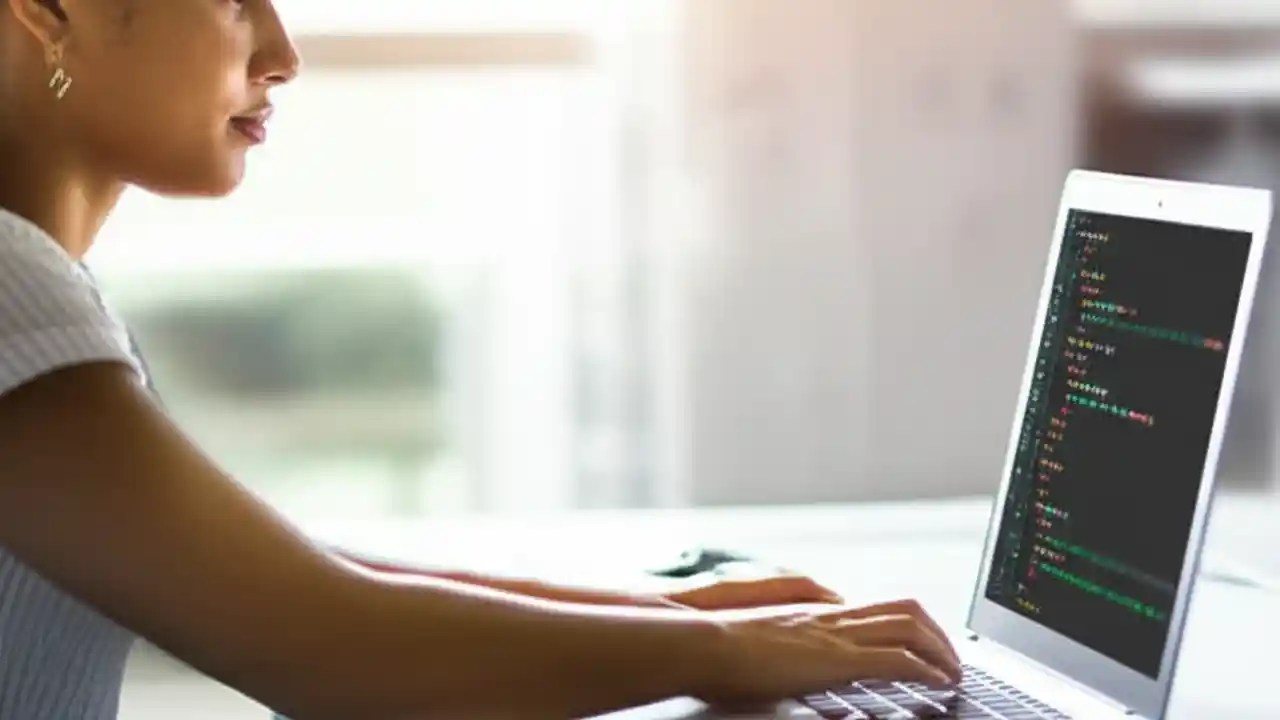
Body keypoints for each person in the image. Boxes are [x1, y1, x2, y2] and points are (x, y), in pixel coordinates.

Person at [0, 1, 962, 718]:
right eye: (229, 0)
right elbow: (321, 640)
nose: (281, 54)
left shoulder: (35, 280)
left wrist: (664, 612)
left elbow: (262, 570)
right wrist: (714, 649)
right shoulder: (13, 290)